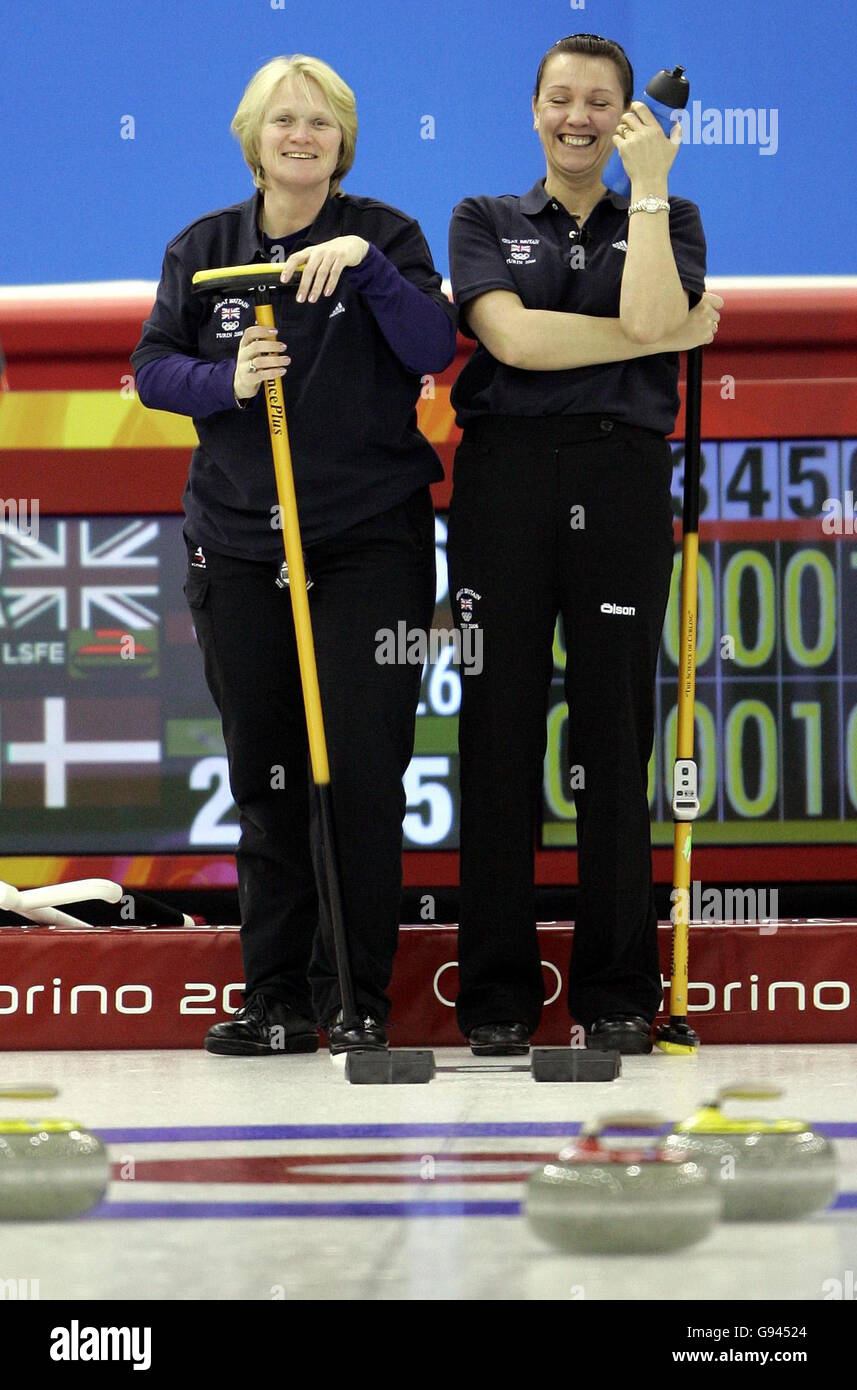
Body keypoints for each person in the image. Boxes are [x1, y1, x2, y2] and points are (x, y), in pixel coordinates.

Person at [131, 55, 455, 1056]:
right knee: (266, 777)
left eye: (319, 122)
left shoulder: (387, 236)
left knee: (361, 774)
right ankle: (272, 997)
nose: (301, 136)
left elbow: (433, 345)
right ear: (253, 136)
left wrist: (363, 264)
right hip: (238, 549)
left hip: (369, 546)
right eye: (284, 121)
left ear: (341, 141)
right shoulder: (205, 246)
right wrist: (224, 379)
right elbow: (150, 370)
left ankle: (354, 995)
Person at [447, 32, 722, 1056]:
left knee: (613, 739)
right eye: (559, 98)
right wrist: (656, 335)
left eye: (598, 102)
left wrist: (646, 191)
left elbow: (652, 305)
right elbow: (512, 341)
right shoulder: (482, 216)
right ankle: (496, 999)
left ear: (624, 118)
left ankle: (613, 992)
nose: (578, 116)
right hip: (504, 478)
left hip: (617, 474)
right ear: (532, 110)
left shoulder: (669, 214)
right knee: (499, 736)